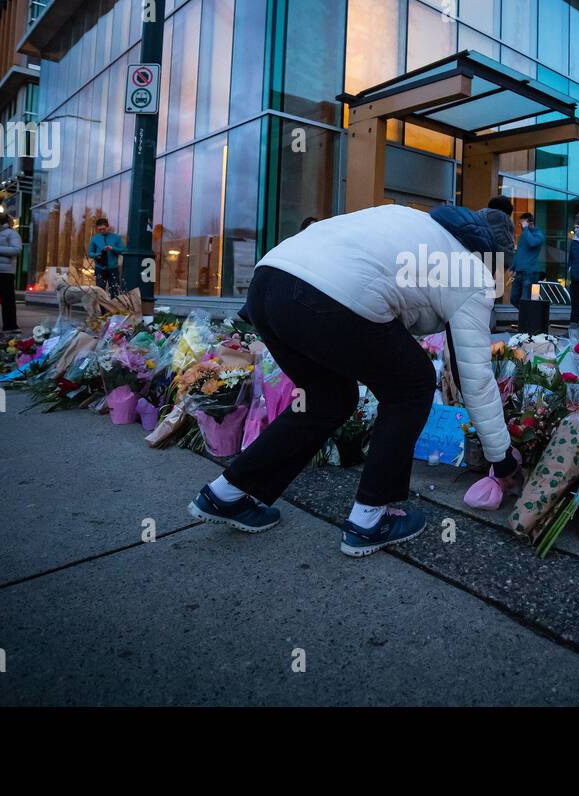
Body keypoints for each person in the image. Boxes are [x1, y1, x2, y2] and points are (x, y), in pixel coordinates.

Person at [186, 201, 520, 557]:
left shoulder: (413, 220)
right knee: (413, 386)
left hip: (269, 283)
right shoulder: (471, 272)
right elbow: (477, 378)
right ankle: (370, 518)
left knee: (326, 400)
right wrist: (502, 459)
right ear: (492, 257)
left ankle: (226, 494)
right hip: (323, 296)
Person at [510, 211, 545, 309]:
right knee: (513, 298)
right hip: (520, 272)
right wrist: (513, 268)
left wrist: (526, 229)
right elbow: (519, 252)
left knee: (526, 300)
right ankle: (526, 317)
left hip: (530, 272)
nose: (521, 225)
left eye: (522, 223)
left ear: (529, 222)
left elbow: (532, 243)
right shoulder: (525, 234)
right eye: (521, 223)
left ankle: (526, 321)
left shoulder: (538, 234)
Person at [88, 218, 124, 297]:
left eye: (103, 229)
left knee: (115, 291)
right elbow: (89, 253)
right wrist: (96, 255)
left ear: (108, 227)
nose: (101, 231)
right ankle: (101, 309)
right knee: (100, 291)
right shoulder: (95, 238)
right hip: (100, 268)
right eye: (99, 229)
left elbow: (123, 250)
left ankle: (114, 309)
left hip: (113, 268)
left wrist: (112, 248)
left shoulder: (116, 237)